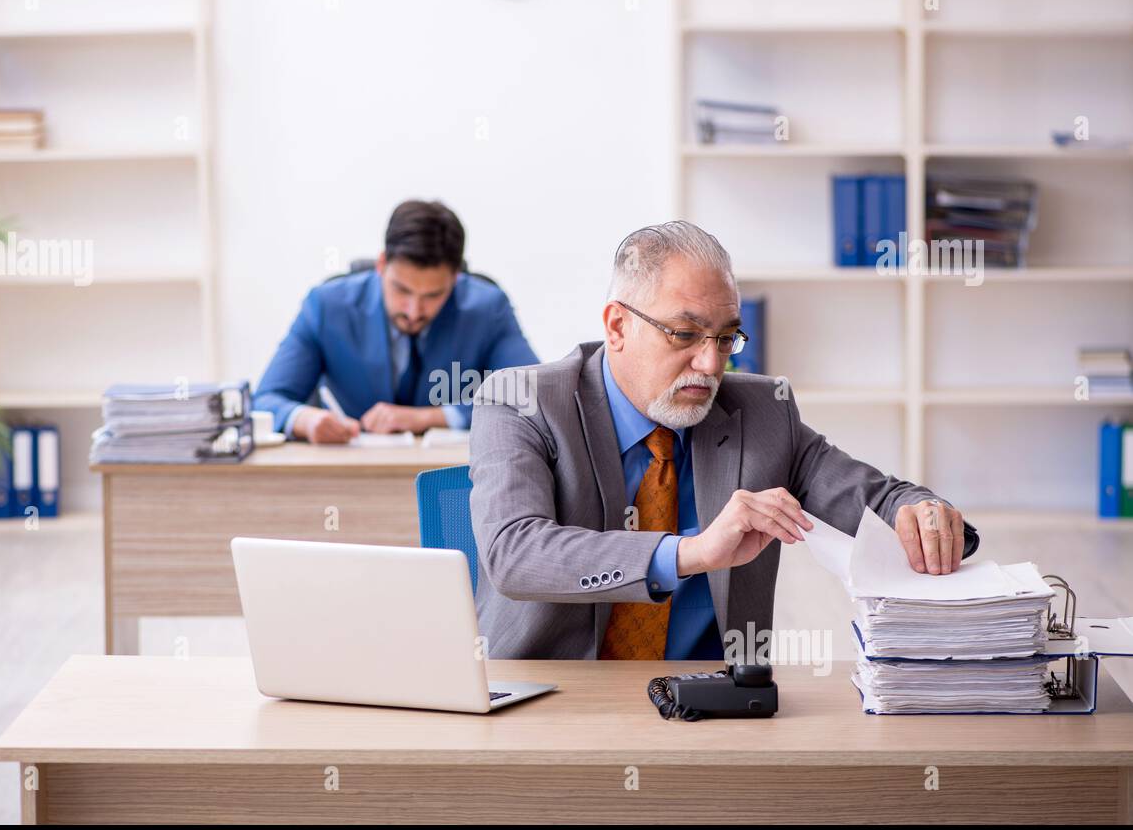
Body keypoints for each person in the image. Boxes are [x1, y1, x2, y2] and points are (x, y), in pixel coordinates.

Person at [469, 220, 979, 661]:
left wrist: (922, 510)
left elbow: (874, 499)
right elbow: (515, 553)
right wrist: (690, 553)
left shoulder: (760, 412)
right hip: (549, 698)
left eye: (726, 337)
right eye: (685, 334)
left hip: (710, 708)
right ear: (618, 325)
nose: (712, 364)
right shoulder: (521, 402)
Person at [253, 200, 539, 443]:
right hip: (352, 476)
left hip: (454, 480)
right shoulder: (326, 306)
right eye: (401, 290)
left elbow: (530, 394)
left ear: (456, 278)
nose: (414, 311)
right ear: (381, 265)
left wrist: (427, 418)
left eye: (433, 295)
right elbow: (266, 400)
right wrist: (305, 419)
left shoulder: (488, 309)